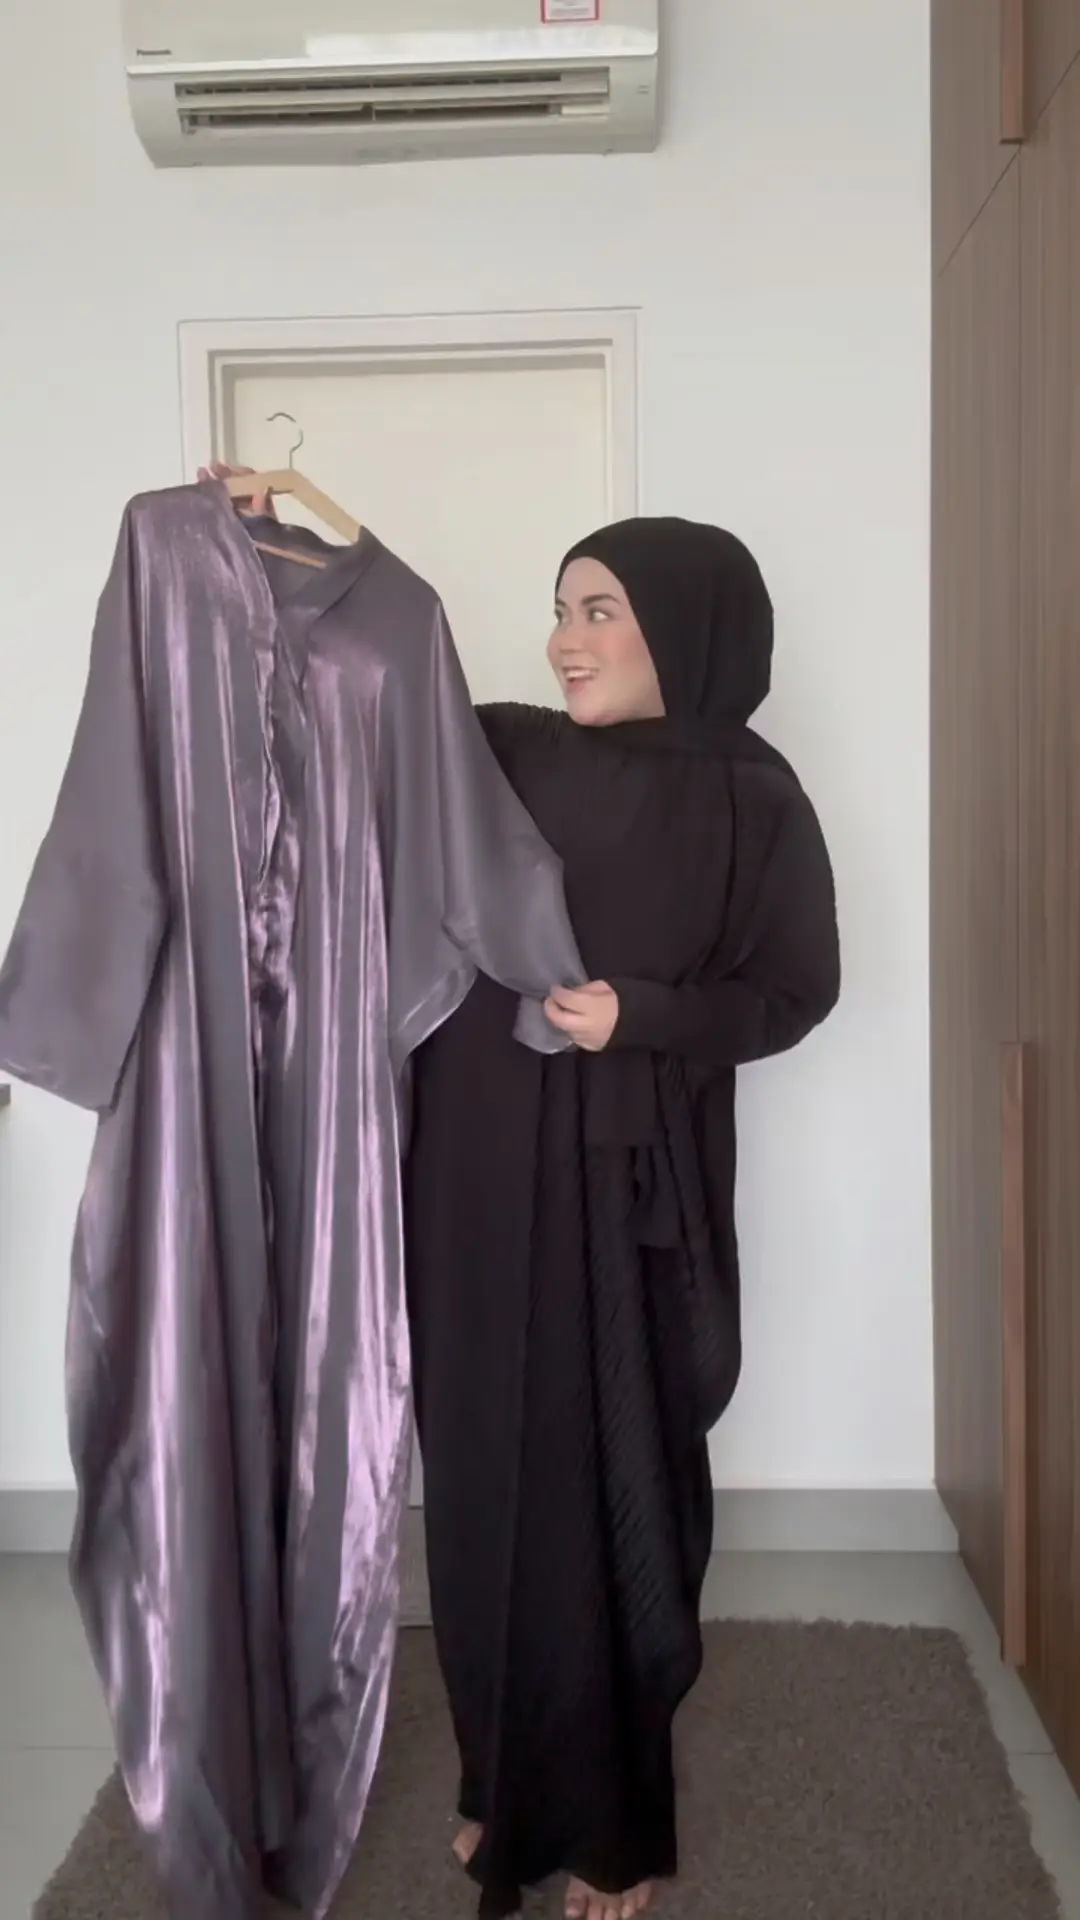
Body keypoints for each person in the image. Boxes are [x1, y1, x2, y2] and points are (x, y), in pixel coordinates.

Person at [201, 470, 840, 1920]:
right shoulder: (503, 752)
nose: (564, 638)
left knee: (621, 1485)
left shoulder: (755, 799)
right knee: (486, 1480)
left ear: (686, 627)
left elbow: (795, 991)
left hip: (631, 1196)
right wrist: (312, 532)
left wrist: (645, 1015)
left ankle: (611, 1824)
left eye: (600, 610)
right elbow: (386, 679)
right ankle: (504, 1774)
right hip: (473, 1180)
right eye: (560, 608)